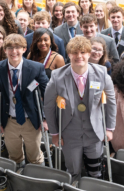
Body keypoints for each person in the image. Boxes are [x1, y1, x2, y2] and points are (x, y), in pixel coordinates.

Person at [44, 36, 115, 181]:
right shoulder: (57, 77)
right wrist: (55, 133)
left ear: (89, 54)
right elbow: (49, 106)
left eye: (83, 52)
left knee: (96, 172)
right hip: (70, 134)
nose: (79, 56)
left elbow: (111, 103)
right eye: (74, 53)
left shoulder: (102, 74)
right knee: (73, 171)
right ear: (69, 54)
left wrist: (109, 129)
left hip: (94, 133)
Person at [0, 33, 49, 166]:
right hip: (9, 121)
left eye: (18, 47)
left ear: (24, 49)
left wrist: (45, 119)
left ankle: (37, 182)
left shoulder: (36, 68)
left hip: (31, 120)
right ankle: (18, 182)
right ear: (4, 50)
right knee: (14, 156)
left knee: (35, 157)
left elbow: (47, 93)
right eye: (10, 47)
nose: (14, 51)